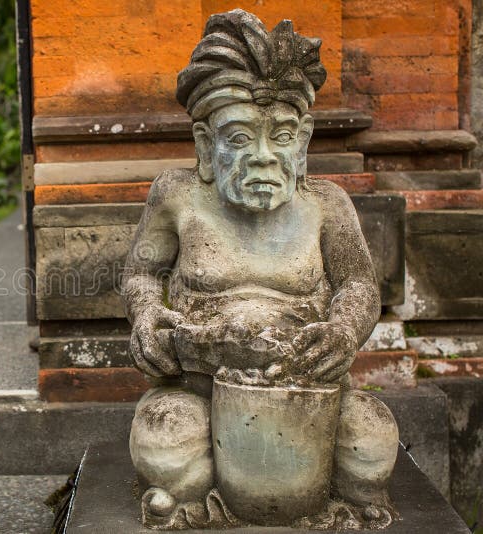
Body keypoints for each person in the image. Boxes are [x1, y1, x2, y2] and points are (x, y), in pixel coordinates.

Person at [122, 9, 399, 528]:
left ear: (306, 141)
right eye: (241, 139)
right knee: (163, 437)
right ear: (206, 147)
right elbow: (141, 273)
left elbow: (360, 283)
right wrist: (146, 318)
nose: (265, 158)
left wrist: (343, 330)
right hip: (200, 382)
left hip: (309, 388)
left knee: (371, 438)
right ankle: (195, 494)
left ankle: (335, 496)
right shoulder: (177, 198)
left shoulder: (327, 205)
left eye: (284, 136)